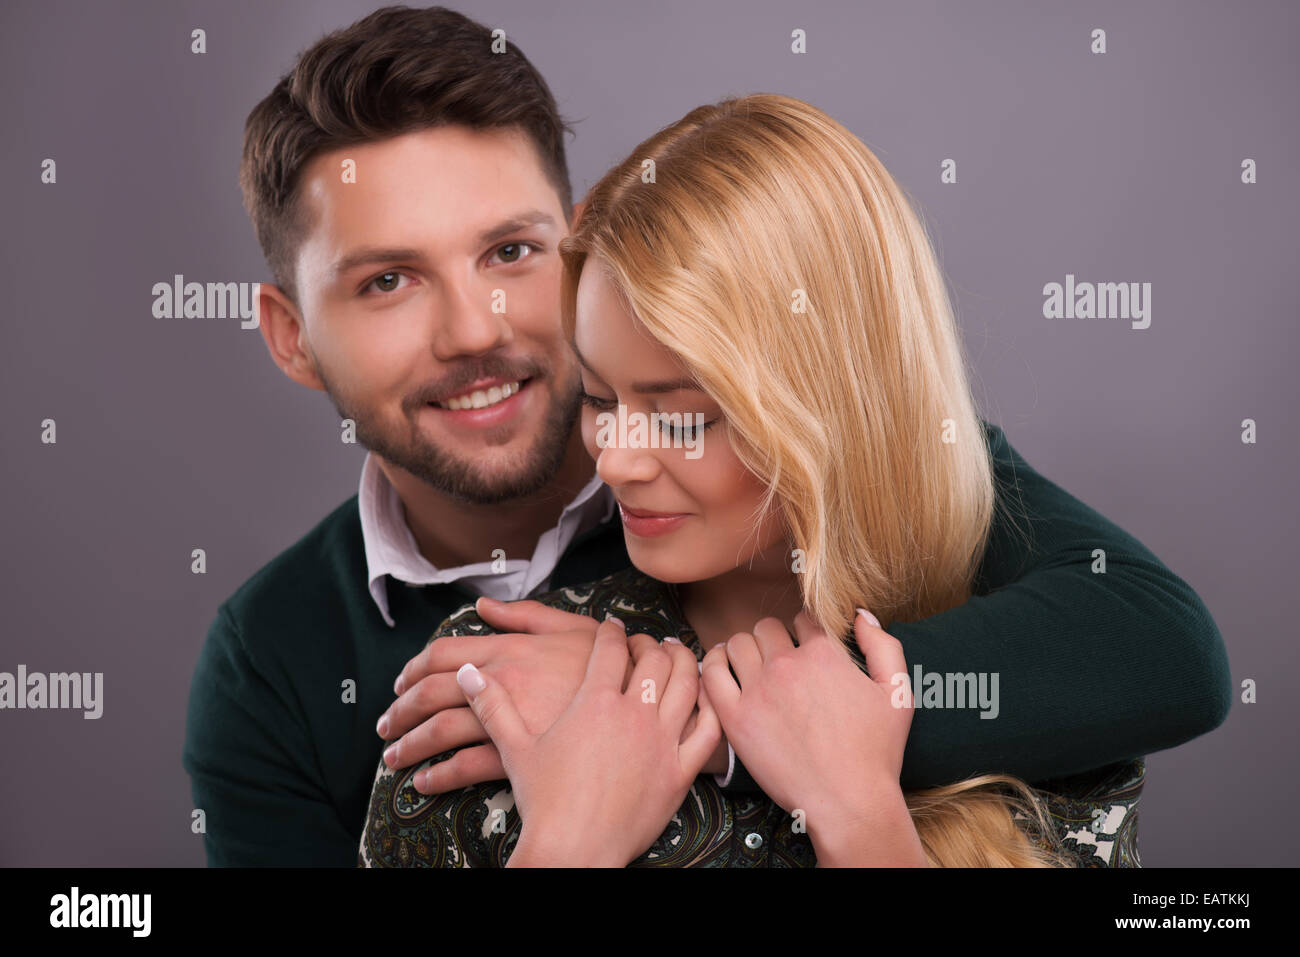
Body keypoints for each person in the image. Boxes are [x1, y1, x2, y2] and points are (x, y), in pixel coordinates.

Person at [185, 5, 1226, 867]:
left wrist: (683, 710)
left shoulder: (914, 504)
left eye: (510, 251)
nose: (476, 332)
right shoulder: (271, 667)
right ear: (291, 337)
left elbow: (1161, 644)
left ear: (583, 241)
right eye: (387, 281)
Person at [360, 93, 1168, 867]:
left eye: (684, 416)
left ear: (835, 408)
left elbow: (1174, 649)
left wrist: (860, 822)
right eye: (599, 399)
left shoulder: (1048, 691)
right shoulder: (501, 687)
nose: (617, 459)